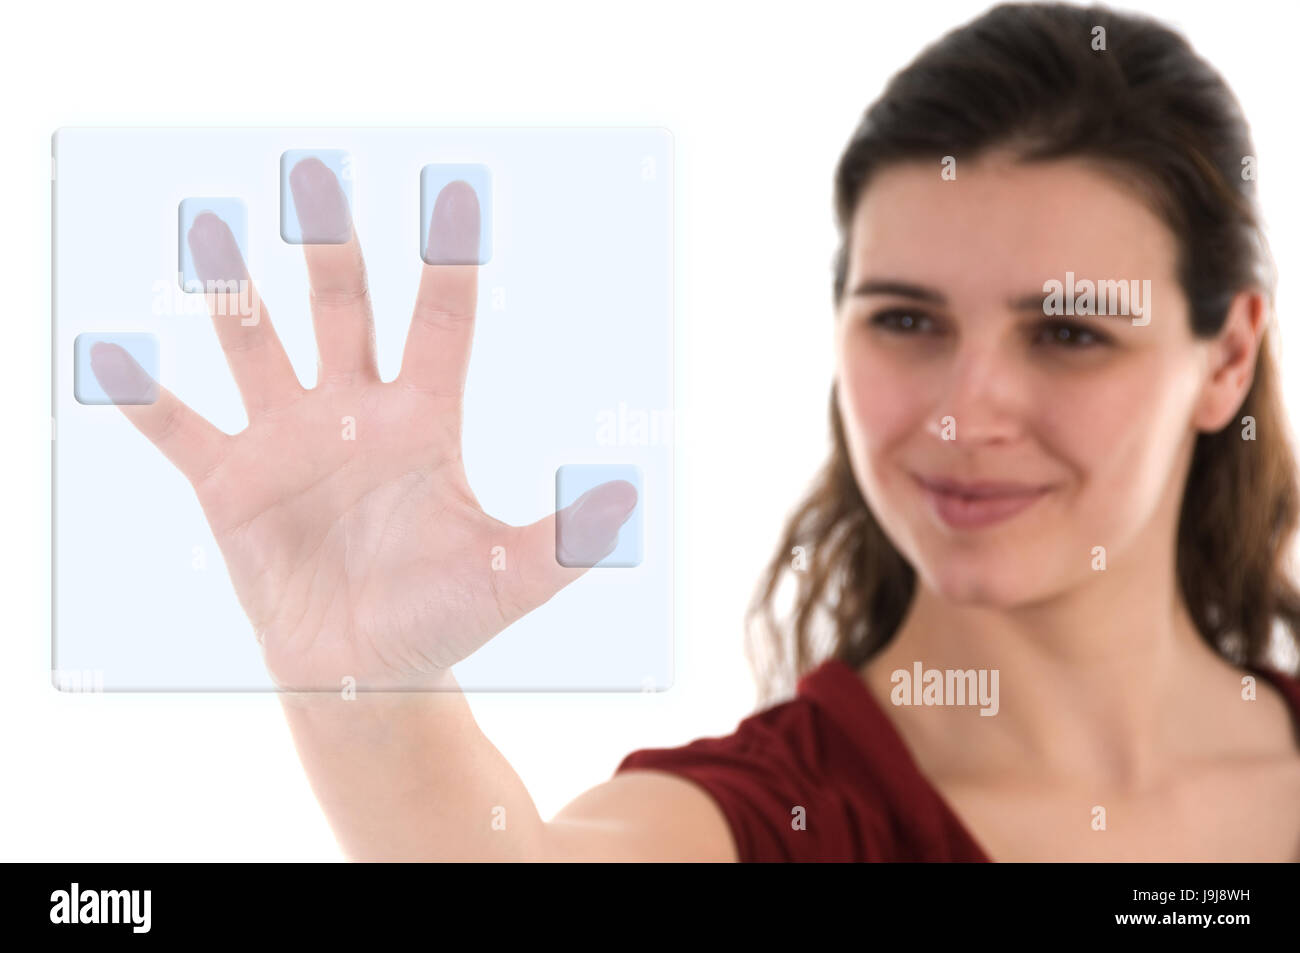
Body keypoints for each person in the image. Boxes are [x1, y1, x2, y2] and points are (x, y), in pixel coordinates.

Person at [93, 1, 1300, 861]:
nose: (960, 408)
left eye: (1068, 332)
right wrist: (367, 700)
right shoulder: (771, 820)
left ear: (1226, 356)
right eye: (906, 319)